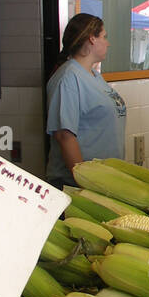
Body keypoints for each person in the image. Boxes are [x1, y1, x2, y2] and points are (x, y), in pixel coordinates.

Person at [46, 13, 127, 189]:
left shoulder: (95, 77)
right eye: (104, 37)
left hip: (105, 179)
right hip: (78, 185)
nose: (108, 43)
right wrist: (84, 182)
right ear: (92, 39)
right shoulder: (68, 78)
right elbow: (65, 135)